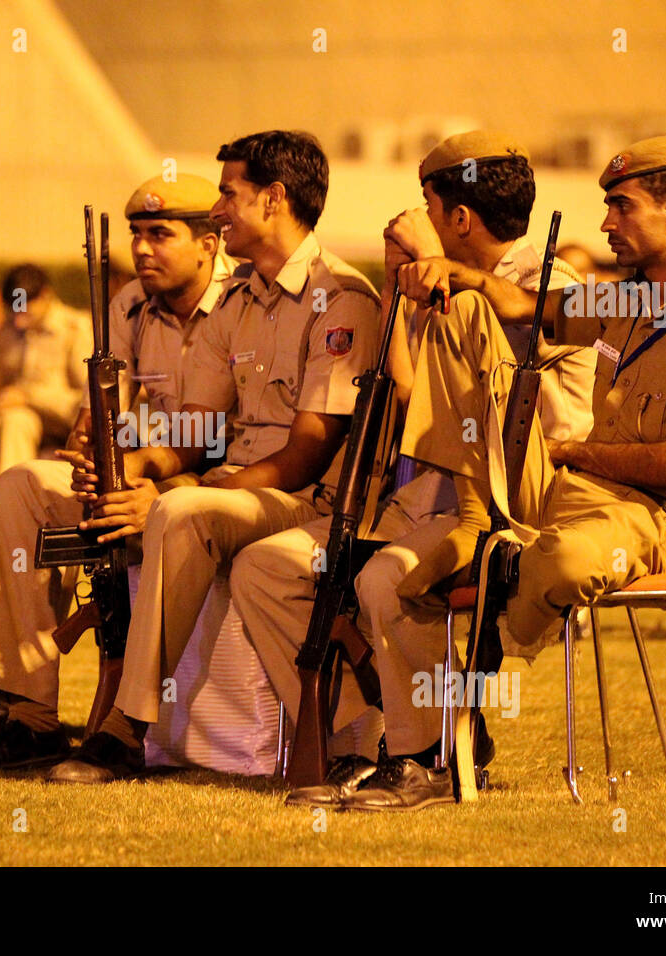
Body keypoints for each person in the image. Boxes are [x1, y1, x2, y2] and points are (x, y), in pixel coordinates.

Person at [337, 136, 666, 811]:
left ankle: (478, 675)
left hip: (637, 515)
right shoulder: (626, 303)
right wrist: (454, 274)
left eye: (621, 208)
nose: (604, 224)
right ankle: (423, 758)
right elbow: (519, 306)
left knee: (561, 558)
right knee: (384, 574)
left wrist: (571, 454)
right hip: (552, 493)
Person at [227, 131, 593, 804]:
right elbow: (403, 389)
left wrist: (431, 268)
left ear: (457, 217)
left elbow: (493, 392)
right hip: (425, 497)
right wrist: (401, 291)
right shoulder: (438, 284)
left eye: (428, 201)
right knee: (266, 567)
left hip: (514, 503)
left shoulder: (549, 288)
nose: (415, 213)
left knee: (384, 582)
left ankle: (428, 756)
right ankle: (353, 744)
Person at [40, 130, 382, 784]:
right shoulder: (238, 299)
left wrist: (179, 494)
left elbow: (308, 453)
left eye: (229, 193)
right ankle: (19, 707)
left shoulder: (340, 298)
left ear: (274, 199)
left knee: (181, 513)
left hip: (309, 502)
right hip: (242, 492)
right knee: (135, 502)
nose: (218, 210)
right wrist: (135, 470)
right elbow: (197, 430)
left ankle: (125, 728)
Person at [0, 173, 234, 754]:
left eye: (160, 234)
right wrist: (94, 455)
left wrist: (151, 473)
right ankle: (27, 709)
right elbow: (102, 411)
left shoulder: (243, 303)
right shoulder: (130, 303)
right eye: (137, 233)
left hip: (211, 480)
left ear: (208, 243)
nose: (141, 248)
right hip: (143, 469)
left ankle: (123, 724)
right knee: (23, 484)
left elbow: (225, 432)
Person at [0, 264, 92, 475]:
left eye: (24, 308)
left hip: (60, 424)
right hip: (8, 416)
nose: (18, 318)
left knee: (18, 421)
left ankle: (10, 497)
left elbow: (86, 401)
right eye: (13, 309)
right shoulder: (7, 329)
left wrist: (29, 396)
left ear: (45, 296)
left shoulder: (75, 329)